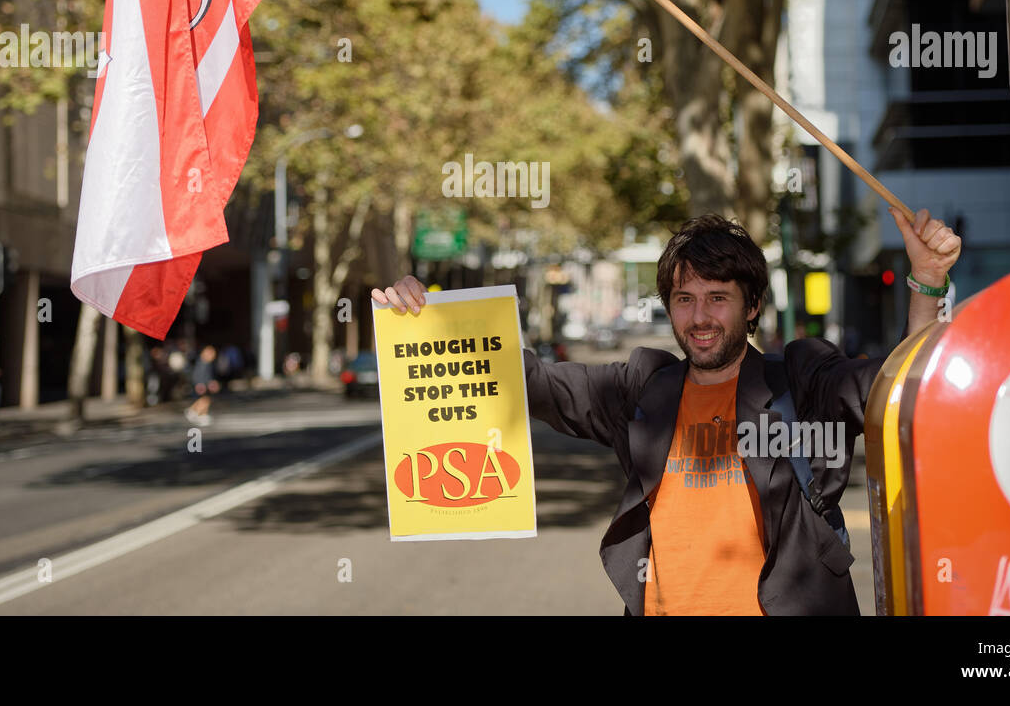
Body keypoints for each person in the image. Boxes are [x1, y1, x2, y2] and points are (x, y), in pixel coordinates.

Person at [372, 205, 961, 616]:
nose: (699, 317)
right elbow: (528, 380)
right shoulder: (641, 388)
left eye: (718, 298)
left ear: (752, 305)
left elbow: (898, 388)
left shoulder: (801, 378)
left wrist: (926, 286)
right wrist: (432, 318)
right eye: (684, 299)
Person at [185, 345, 220, 426]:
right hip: (201, 385)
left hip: (204, 384)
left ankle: (199, 414)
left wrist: (211, 382)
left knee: (205, 400)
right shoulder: (202, 363)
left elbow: (208, 375)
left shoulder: (207, 363)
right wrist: (200, 384)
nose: (213, 355)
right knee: (204, 400)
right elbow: (198, 375)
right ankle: (195, 412)